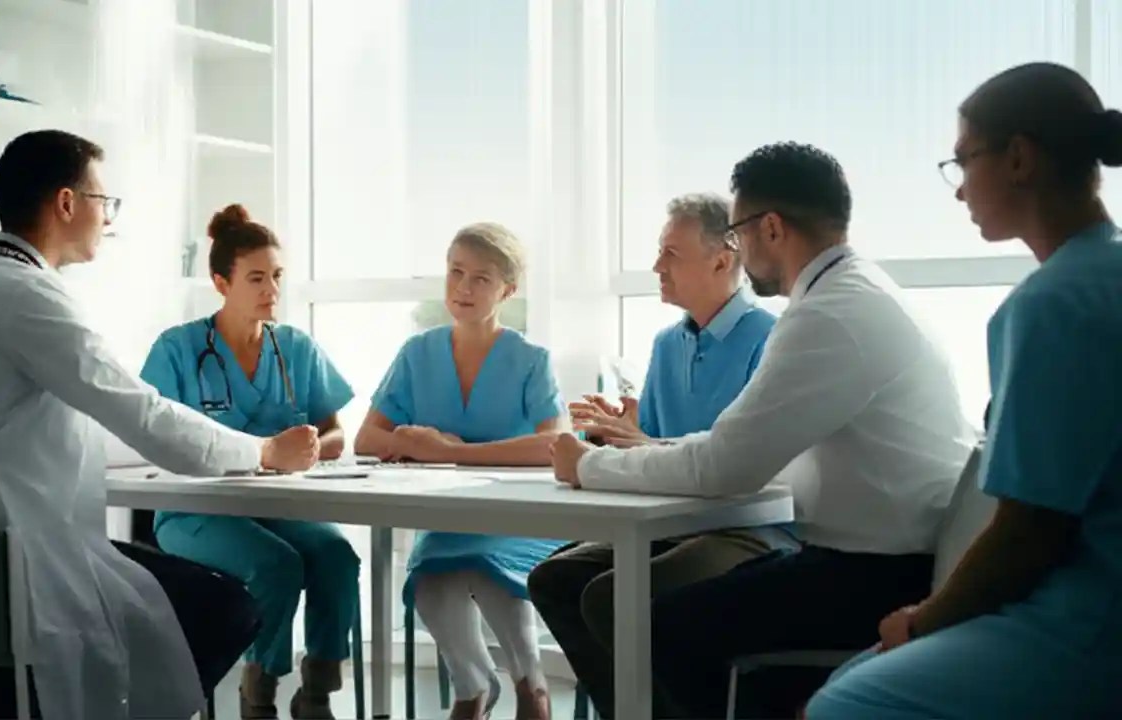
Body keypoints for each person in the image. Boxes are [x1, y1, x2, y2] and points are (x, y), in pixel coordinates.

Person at [549, 142, 975, 718]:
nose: (738, 248)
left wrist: (587, 465)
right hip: (877, 555)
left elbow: (726, 466)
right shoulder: (855, 294)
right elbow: (743, 447)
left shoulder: (828, 316)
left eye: (738, 231)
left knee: (660, 624)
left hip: (875, 572)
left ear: (770, 229)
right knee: (582, 588)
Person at [0, 130, 270, 720]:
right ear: (67, 203)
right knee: (227, 607)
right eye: (103, 202)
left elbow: (59, 428)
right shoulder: (25, 293)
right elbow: (142, 412)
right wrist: (264, 453)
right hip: (4, 570)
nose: (108, 219)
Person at [807, 62, 1122, 720]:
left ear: (1017, 158)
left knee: (844, 703)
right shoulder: (1103, 276)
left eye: (961, 161)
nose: (957, 192)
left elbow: (1029, 534)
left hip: (1088, 623)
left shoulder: (1051, 305)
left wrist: (923, 622)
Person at [528, 193, 790, 716]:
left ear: (722, 258)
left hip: (747, 529)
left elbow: (756, 464)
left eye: (670, 253)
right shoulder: (667, 344)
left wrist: (639, 444)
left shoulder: (772, 338)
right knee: (553, 580)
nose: (656, 267)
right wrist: (621, 430)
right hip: (668, 525)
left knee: (608, 596)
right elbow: (651, 446)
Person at [140, 204, 359, 720]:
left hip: (281, 503)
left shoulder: (297, 348)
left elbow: (334, 433)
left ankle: (318, 693)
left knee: (336, 557)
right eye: (256, 278)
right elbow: (153, 437)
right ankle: (259, 693)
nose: (271, 290)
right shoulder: (178, 349)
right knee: (275, 566)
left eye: (277, 276)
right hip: (195, 511)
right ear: (221, 282)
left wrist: (314, 448)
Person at [354, 222, 567, 720]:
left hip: (519, 518)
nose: (463, 288)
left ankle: (530, 686)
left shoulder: (531, 360)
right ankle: (473, 689)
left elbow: (553, 445)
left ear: (508, 291)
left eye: (481, 279)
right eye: (455, 273)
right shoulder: (417, 353)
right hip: (447, 518)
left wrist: (445, 450)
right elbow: (367, 439)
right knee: (431, 579)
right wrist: (411, 443)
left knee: (486, 571)